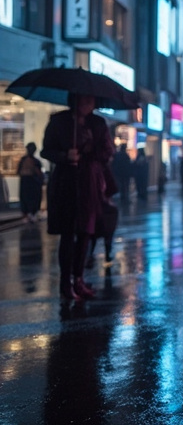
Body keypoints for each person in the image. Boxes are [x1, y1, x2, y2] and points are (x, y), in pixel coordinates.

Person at [41, 93, 115, 300]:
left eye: (90, 101)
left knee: (85, 233)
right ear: (73, 100)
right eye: (82, 100)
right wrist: (65, 156)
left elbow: (108, 151)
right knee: (67, 233)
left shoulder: (98, 123)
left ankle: (79, 279)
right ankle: (66, 284)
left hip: (89, 182)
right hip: (66, 182)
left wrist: (92, 150)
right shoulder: (59, 121)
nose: (86, 105)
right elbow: (46, 150)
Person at [17, 142, 44, 222]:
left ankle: (28, 213)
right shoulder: (34, 161)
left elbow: (18, 171)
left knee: (27, 198)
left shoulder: (24, 160)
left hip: (28, 182)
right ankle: (31, 213)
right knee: (31, 198)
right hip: (32, 182)